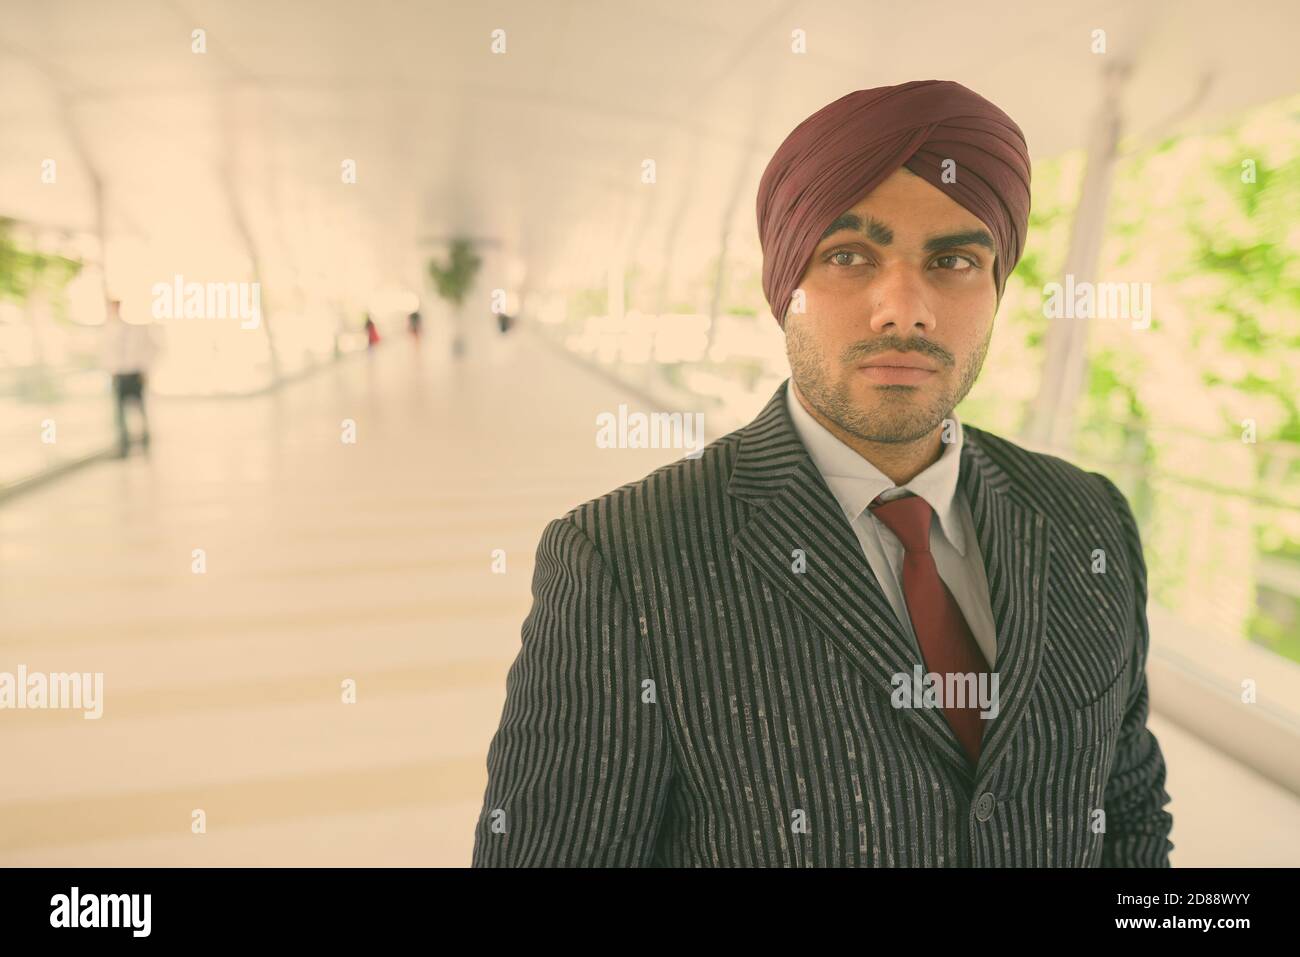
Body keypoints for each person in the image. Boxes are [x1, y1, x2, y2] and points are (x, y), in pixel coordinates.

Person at [472, 80, 1173, 867]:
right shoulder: (622, 562)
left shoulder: (1088, 520)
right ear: (784, 287)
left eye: (954, 260)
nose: (903, 310)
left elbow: (1129, 810)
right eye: (849, 256)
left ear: (997, 288)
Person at [100, 299, 159, 458]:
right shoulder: (108, 330)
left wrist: (144, 370)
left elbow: (151, 349)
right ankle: (124, 446)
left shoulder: (137, 328)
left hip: (135, 373)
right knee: (119, 414)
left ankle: (145, 441)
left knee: (139, 410)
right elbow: (106, 355)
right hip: (118, 374)